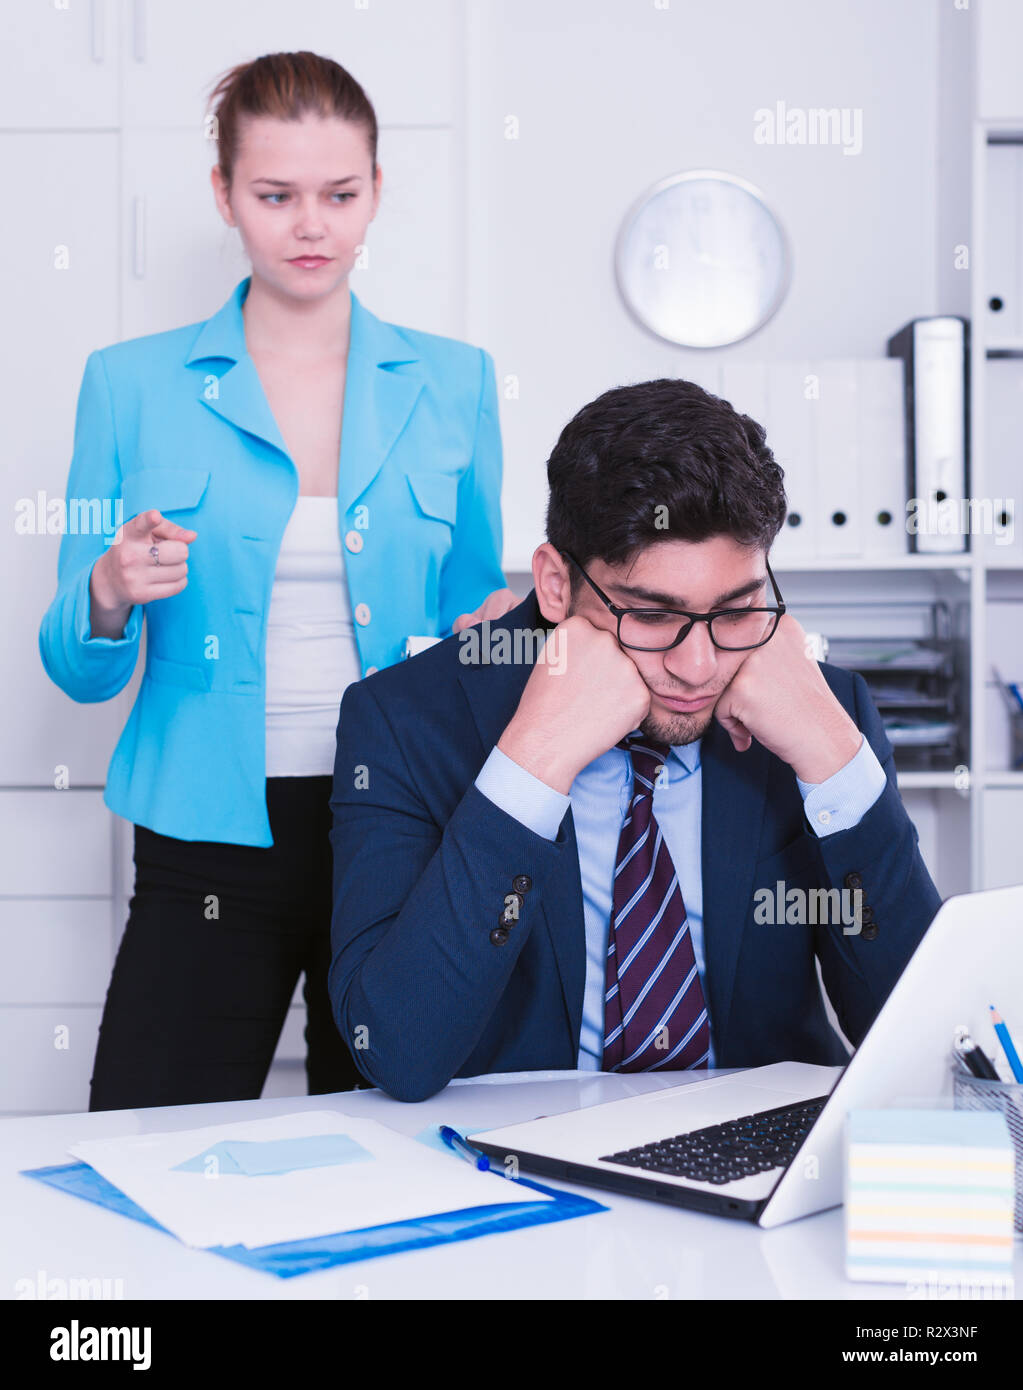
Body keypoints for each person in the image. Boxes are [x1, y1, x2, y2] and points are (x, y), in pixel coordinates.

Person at [38, 50, 517, 1111]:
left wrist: (503, 626)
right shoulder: (128, 386)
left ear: (377, 193)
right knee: (148, 1137)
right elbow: (69, 661)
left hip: (401, 830)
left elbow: (474, 622)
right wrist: (112, 589)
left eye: (340, 195)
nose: (312, 225)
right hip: (208, 836)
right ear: (224, 196)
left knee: (405, 1152)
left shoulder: (454, 382)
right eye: (276, 195)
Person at [327, 378, 942, 1102]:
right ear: (555, 584)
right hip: (516, 1165)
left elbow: (923, 1046)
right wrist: (534, 762)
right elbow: (395, 1050)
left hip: (758, 1157)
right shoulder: (406, 718)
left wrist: (836, 767)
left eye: (737, 608)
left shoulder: (823, 707)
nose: (697, 667)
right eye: (652, 616)